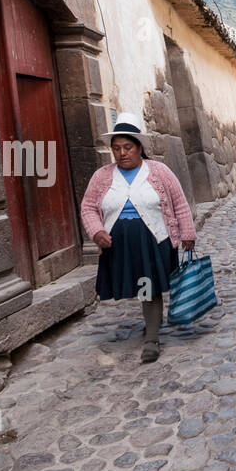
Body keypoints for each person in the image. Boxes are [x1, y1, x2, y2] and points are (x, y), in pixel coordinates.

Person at [80, 112, 196, 363]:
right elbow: (88, 207)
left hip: (152, 239)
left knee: (149, 287)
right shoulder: (102, 176)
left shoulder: (159, 171)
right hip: (118, 243)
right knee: (137, 286)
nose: (122, 153)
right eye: (116, 148)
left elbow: (179, 202)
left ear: (139, 147)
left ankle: (151, 338)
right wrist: (97, 231)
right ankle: (151, 324)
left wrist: (187, 232)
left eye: (127, 147)